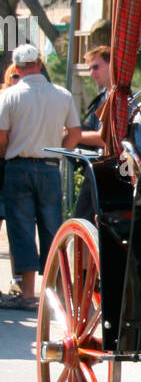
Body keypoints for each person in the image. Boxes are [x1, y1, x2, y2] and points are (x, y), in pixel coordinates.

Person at [0, 43, 81, 311]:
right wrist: (62, 151)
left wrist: (8, 151)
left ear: (19, 69)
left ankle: (27, 293)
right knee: (51, 227)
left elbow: (2, 138)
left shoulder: (9, 97)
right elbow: (75, 132)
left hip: (18, 166)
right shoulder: (62, 94)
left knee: (21, 230)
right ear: (39, 63)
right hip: (49, 165)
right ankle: (53, 290)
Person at [0, 65, 22, 295]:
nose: (18, 78)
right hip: (2, 165)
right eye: (14, 75)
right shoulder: (4, 99)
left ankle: (17, 280)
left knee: (19, 230)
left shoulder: (27, 101)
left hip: (17, 165)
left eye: (21, 74)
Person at [78, 45, 111, 151]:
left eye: (96, 67)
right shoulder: (102, 97)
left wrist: (73, 136)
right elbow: (91, 127)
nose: (91, 72)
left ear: (111, 65)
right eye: (90, 68)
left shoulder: (123, 98)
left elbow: (105, 138)